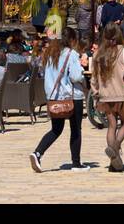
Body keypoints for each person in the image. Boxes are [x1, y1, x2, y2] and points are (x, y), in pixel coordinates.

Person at [30, 27, 87, 172]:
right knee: (75, 129)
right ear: (72, 40)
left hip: (54, 97)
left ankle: (38, 152)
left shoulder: (50, 54)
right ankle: (76, 163)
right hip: (72, 97)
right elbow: (75, 76)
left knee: (56, 129)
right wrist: (82, 71)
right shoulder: (71, 54)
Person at [90, 23, 124, 172]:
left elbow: (94, 78)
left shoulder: (97, 54)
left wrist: (96, 94)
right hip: (121, 94)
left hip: (105, 96)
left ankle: (113, 162)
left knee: (112, 126)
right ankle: (114, 148)